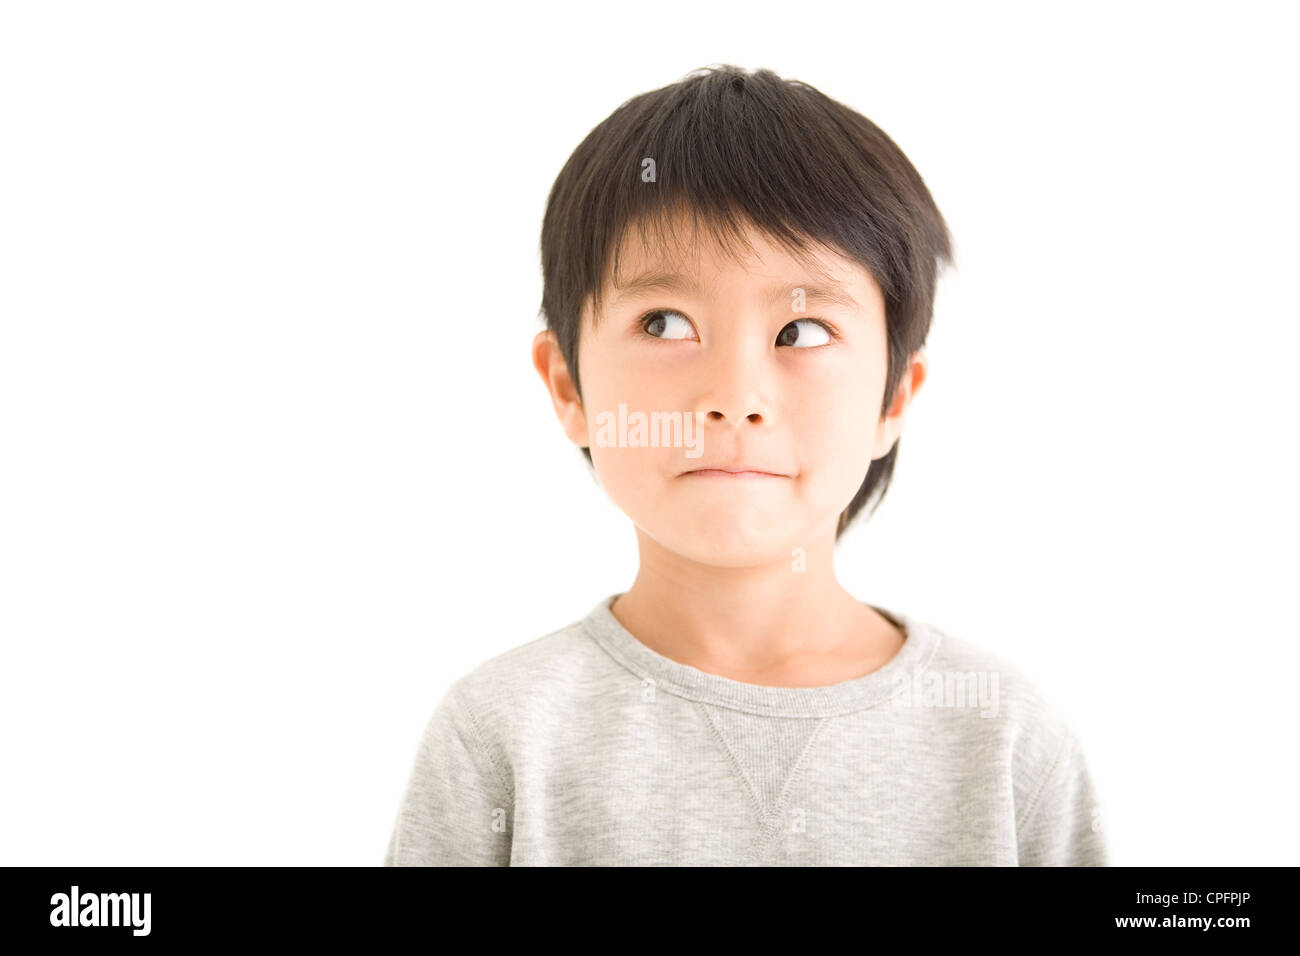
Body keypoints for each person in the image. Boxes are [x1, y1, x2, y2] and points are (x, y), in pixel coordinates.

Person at [384, 64, 1107, 866]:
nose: (735, 398)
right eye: (664, 322)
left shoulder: (1003, 738)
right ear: (567, 385)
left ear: (894, 398)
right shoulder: (501, 735)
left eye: (801, 333)